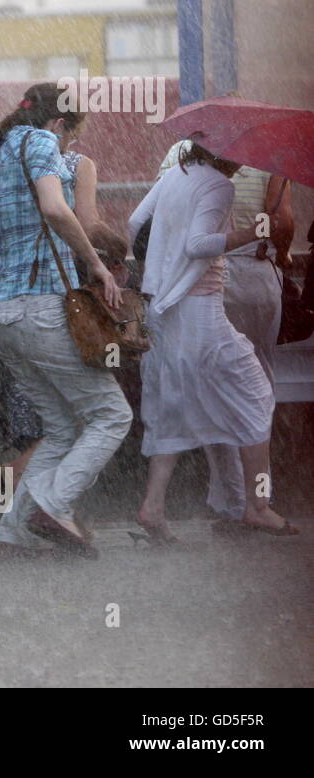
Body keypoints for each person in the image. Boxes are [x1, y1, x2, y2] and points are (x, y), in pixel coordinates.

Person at [0, 82, 129, 558]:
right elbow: (56, 208)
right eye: (69, 137)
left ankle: (13, 534)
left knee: (60, 428)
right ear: (58, 123)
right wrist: (98, 266)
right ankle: (54, 506)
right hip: (39, 307)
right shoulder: (39, 140)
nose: (67, 149)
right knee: (111, 414)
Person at [130, 142, 298, 541]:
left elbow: (137, 221)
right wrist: (249, 233)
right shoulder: (221, 186)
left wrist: (159, 266)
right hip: (201, 312)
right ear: (230, 154)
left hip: (164, 311)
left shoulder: (175, 175)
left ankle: (153, 508)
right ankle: (256, 506)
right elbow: (199, 245)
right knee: (257, 396)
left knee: (172, 403)